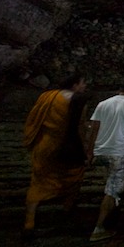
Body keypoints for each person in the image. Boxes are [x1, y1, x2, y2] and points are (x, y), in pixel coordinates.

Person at [22, 74, 89, 238]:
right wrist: (86, 148)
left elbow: (33, 118)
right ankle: (67, 214)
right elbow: (80, 128)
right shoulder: (79, 101)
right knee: (73, 178)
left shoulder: (47, 97)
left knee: (38, 182)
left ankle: (29, 223)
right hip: (65, 146)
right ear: (75, 85)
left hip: (43, 145)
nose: (85, 86)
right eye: (83, 82)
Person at [86, 77, 124, 242]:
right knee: (112, 191)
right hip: (118, 153)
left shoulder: (103, 104)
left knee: (113, 185)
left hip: (101, 151)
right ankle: (99, 227)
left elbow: (93, 130)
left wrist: (90, 152)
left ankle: (113, 215)